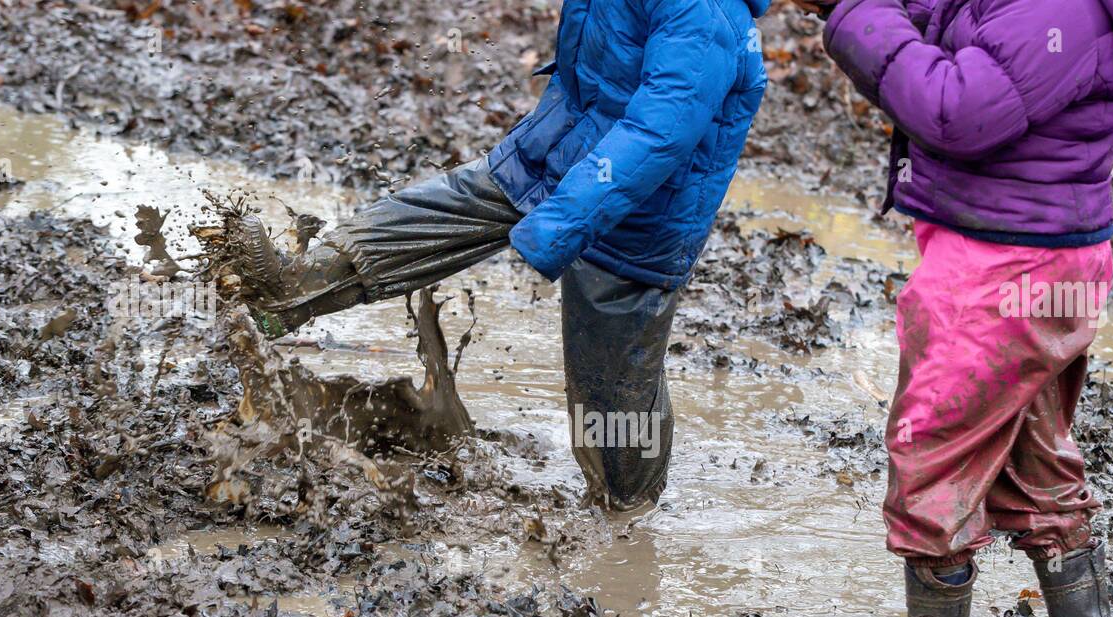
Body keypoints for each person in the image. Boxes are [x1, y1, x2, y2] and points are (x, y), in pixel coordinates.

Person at [809, 0, 1113, 617]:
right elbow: (958, 33)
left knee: (931, 444)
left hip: (1006, 265)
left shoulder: (1064, 10)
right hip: (1036, 252)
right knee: (1033, 451)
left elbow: (955, 110)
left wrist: (855, 14)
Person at [231, 0, 771, 512]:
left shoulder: (706, 13)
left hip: (640, 218)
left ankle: (626, 515)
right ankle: (291, 289)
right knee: (436, 212)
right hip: (552, 152)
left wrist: (559, 225)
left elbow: (659, 134)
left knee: (613, 395)